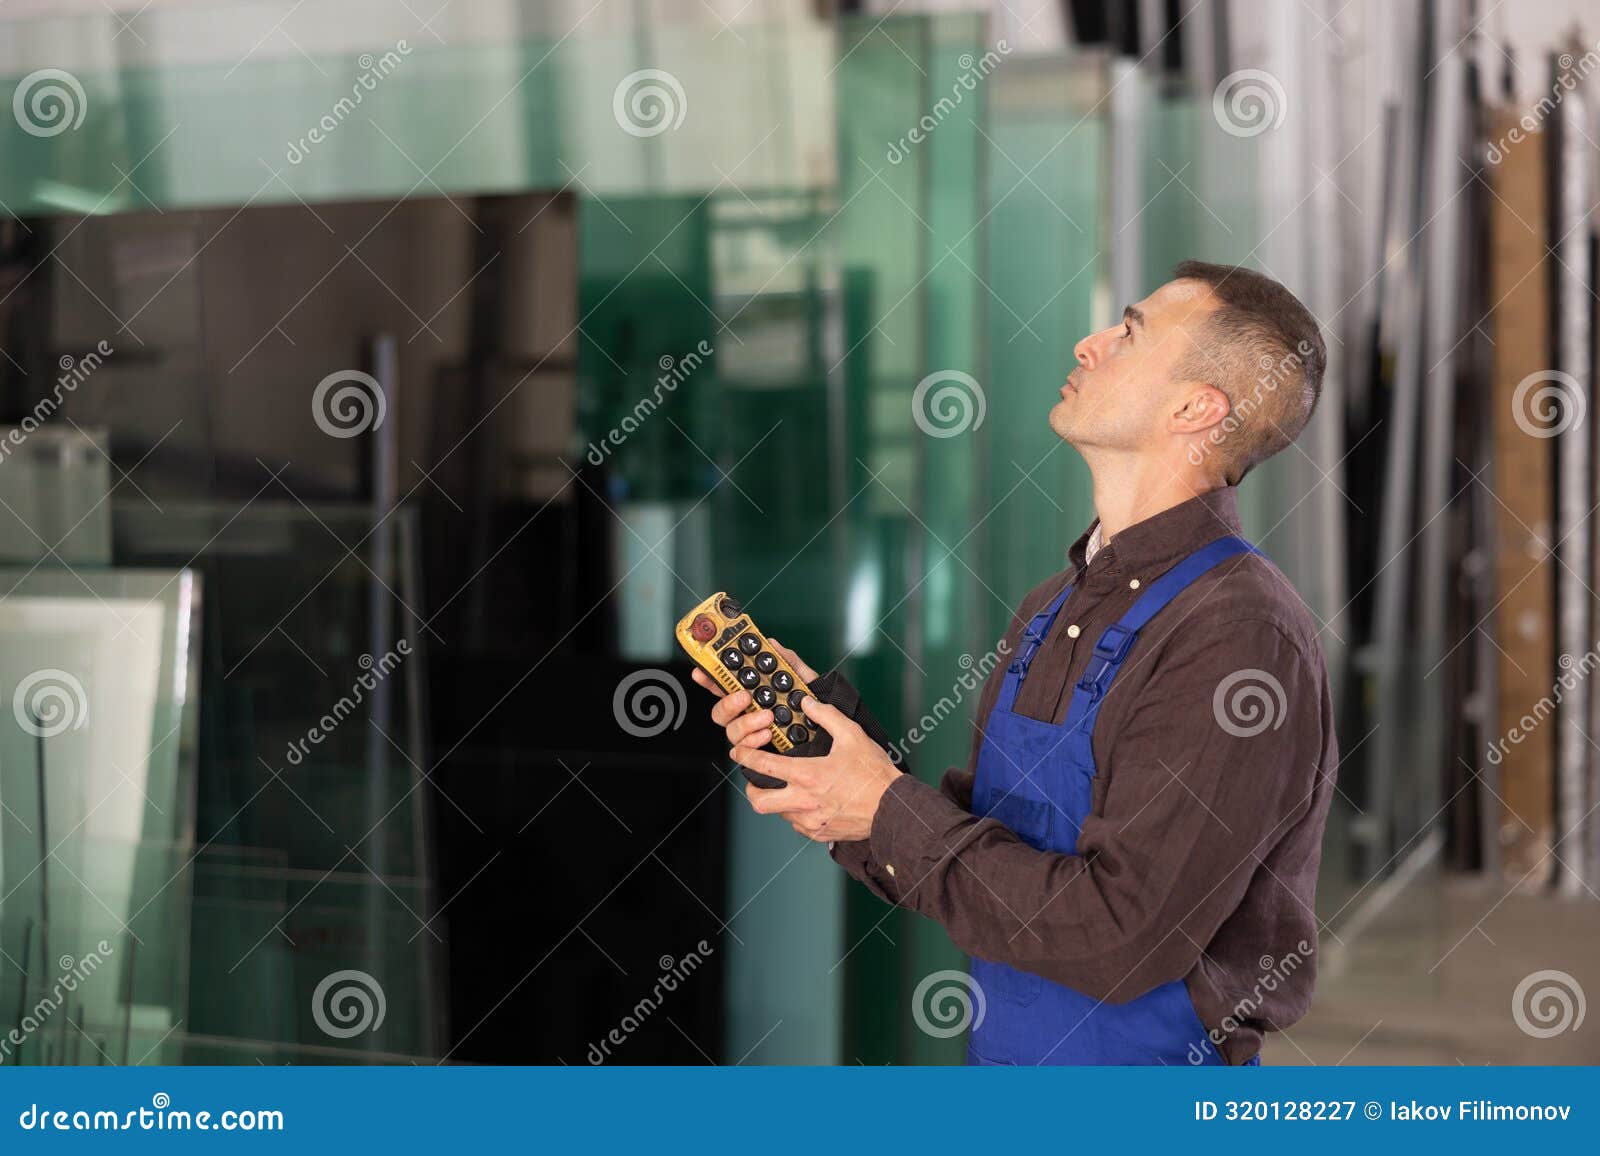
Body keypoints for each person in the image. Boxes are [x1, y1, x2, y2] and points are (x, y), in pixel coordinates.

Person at [692, 261, 1338, 1066]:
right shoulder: (1051, 606)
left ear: (1196, 408)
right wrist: (836, 764)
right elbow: (973, 862)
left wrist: (884, 806)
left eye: (1129, 331)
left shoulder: (1239, 635)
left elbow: (1123, 939)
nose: (1090, 343)